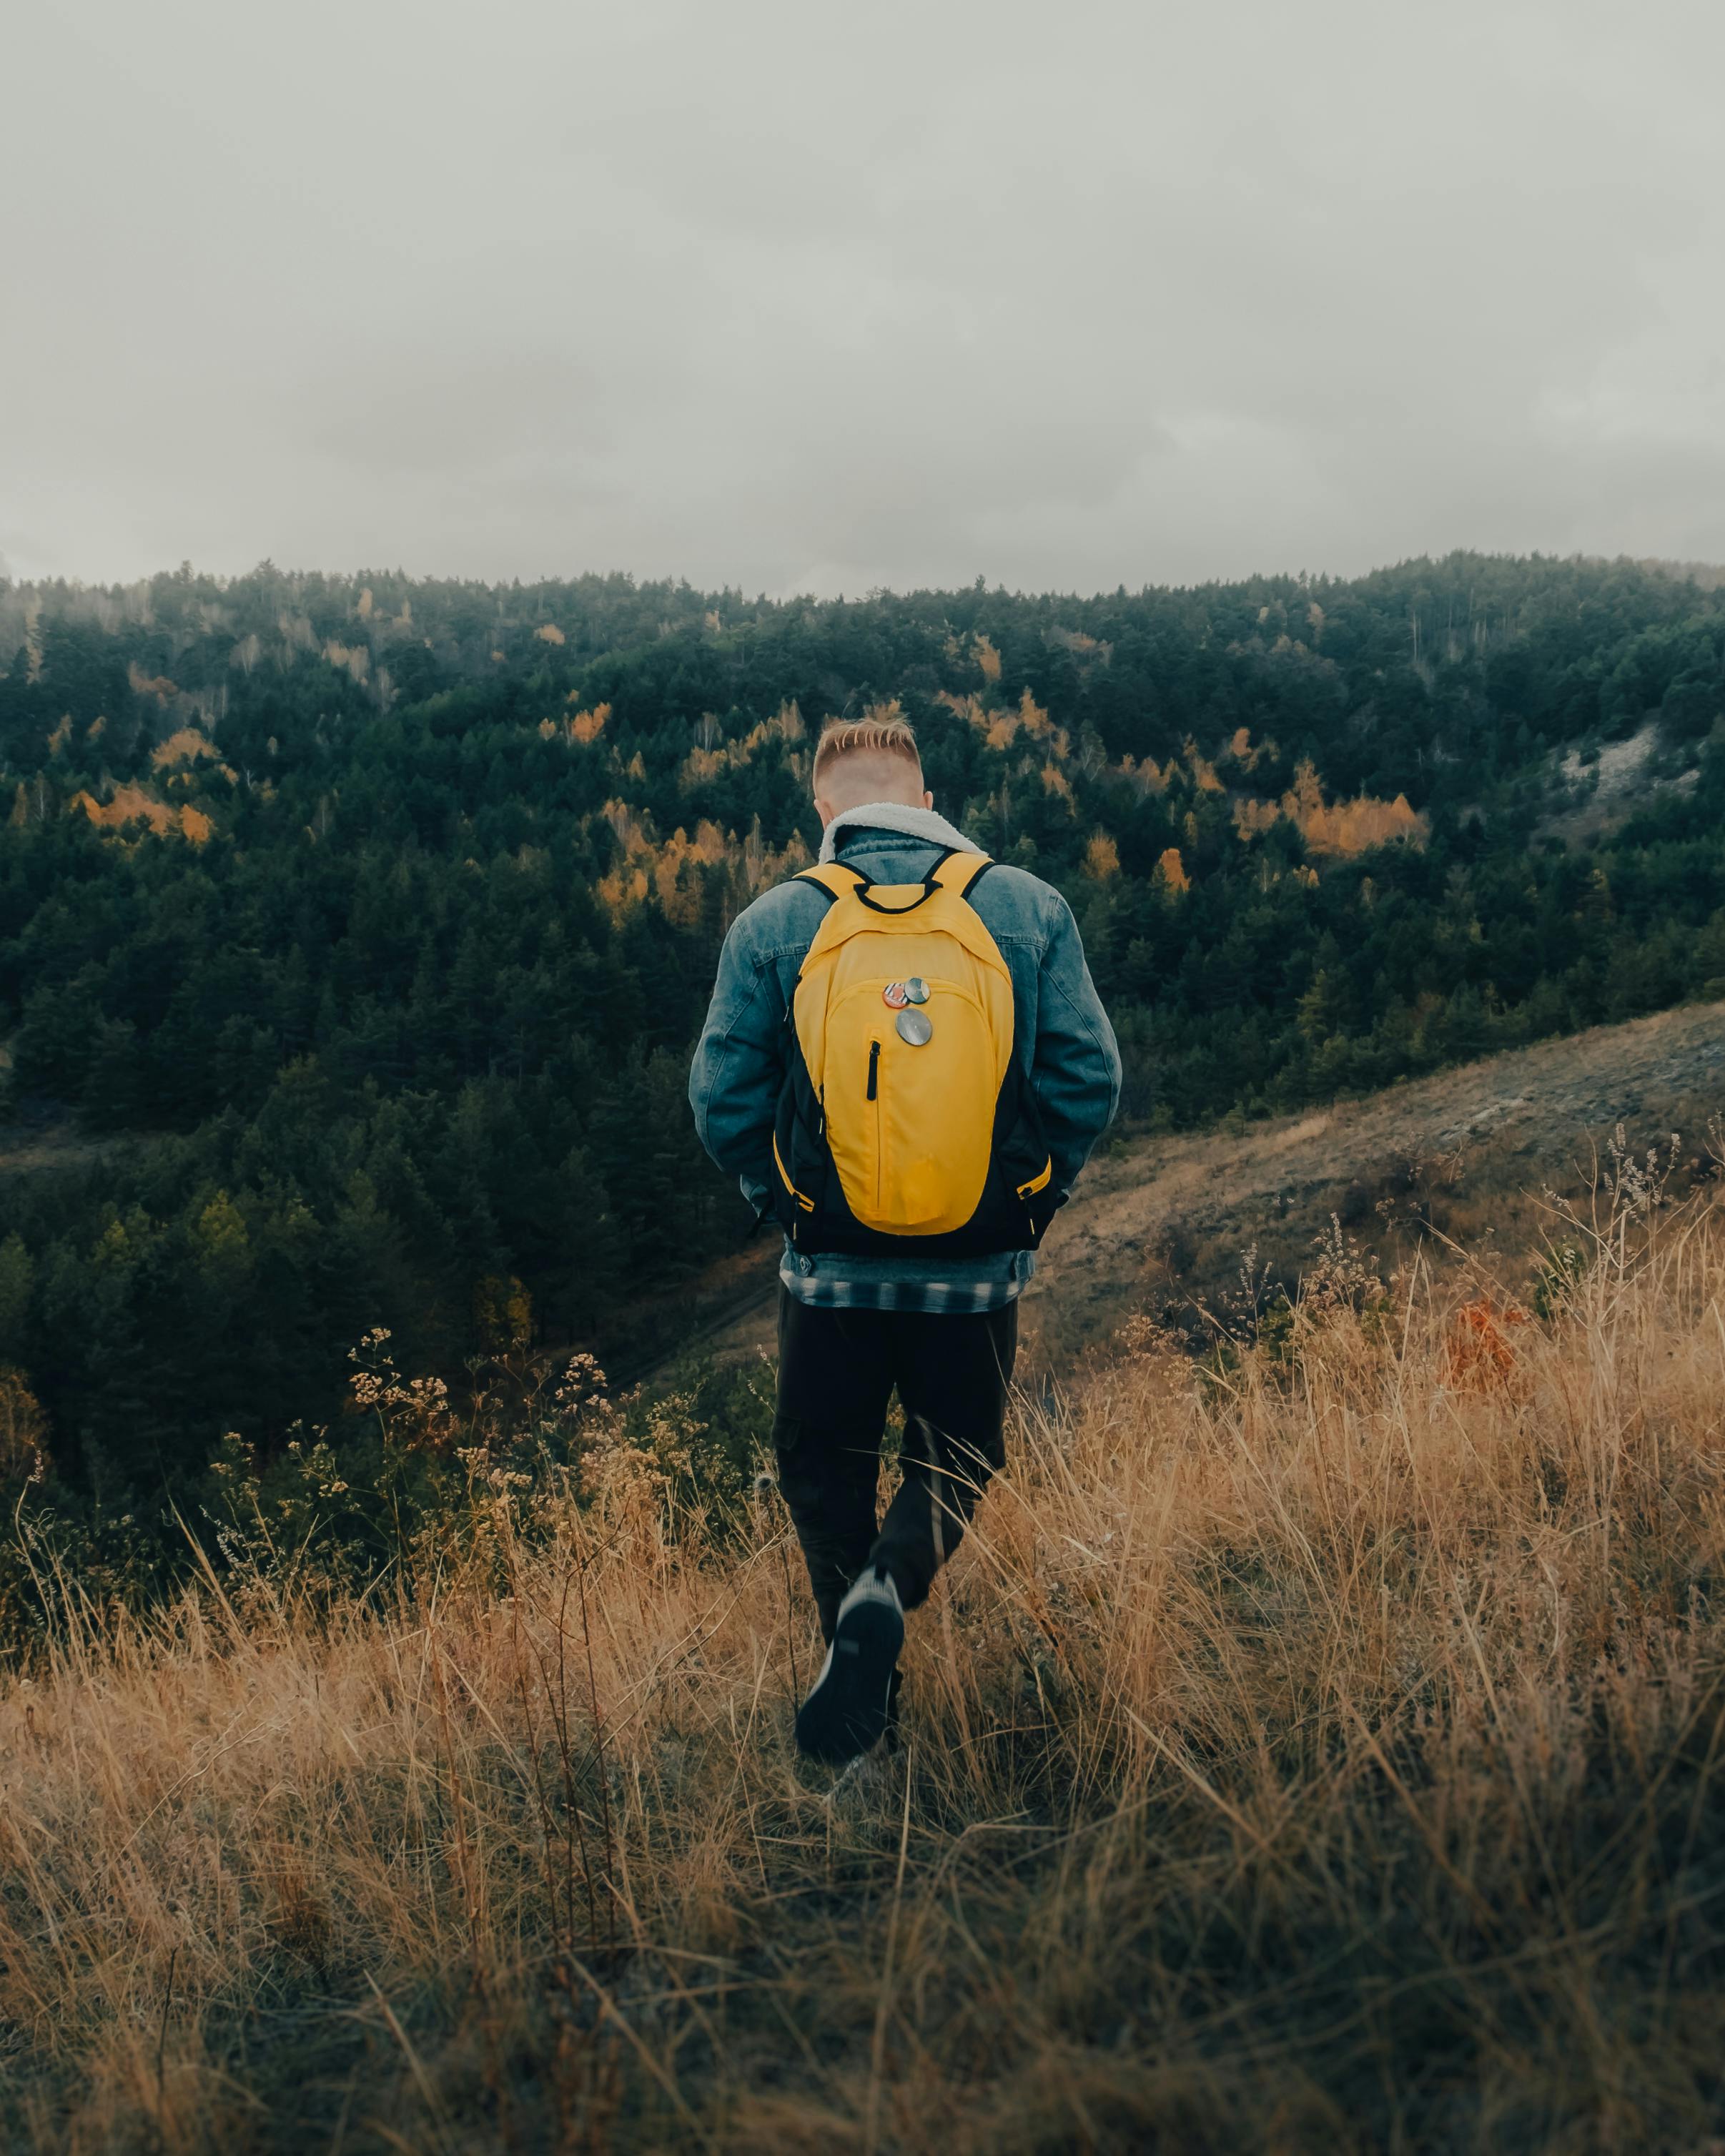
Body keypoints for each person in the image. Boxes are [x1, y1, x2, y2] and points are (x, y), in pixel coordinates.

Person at [688, 711, 1120, 1764]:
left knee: (822, 1465)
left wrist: (781, 1200)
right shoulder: (1023, 907)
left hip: (829, 1270)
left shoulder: (775, 922)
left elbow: (720, 1099)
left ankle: (862, 1699)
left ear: (825, 814)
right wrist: (1028, 1197)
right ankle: (894, 1578)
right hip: (974, 1265)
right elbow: (1085, 1081)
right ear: (928, 804)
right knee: (959, 1450)